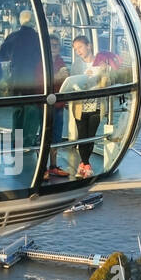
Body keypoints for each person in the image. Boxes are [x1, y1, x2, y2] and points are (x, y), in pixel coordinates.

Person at [0, 9, 45, 151]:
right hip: (33, 80)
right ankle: (27, 143)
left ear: (20, 21)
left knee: (17, 111)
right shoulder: (39, 38)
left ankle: (16, 143)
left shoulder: (13, 37)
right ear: (33, 22)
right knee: (31, 113)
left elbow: (2, 55)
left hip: (16, 79)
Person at [68, 35, 107, 179]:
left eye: (80, 47)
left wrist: (104, 72)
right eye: (75, 49)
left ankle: (83, 165)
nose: (78, 51)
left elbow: (109, 81)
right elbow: (72, 84)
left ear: (89, 46)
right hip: (80, 106)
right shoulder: (76, 65)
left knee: (90, 137)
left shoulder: (100, 62)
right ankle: (86, 164)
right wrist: (86, 80)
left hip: (96, 105)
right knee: (82, 136)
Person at [46, 34, 70, 179]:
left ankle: (53, 166)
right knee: (44, 137)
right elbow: (42, 81)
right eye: (52, 45)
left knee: (56, 137)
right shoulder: (42, 62)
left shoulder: (60, 61)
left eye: (57, 45)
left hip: (59, 105)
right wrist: (58, 76)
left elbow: (65, 77)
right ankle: (42, 168)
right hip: (46, 106)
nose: (55, 48)